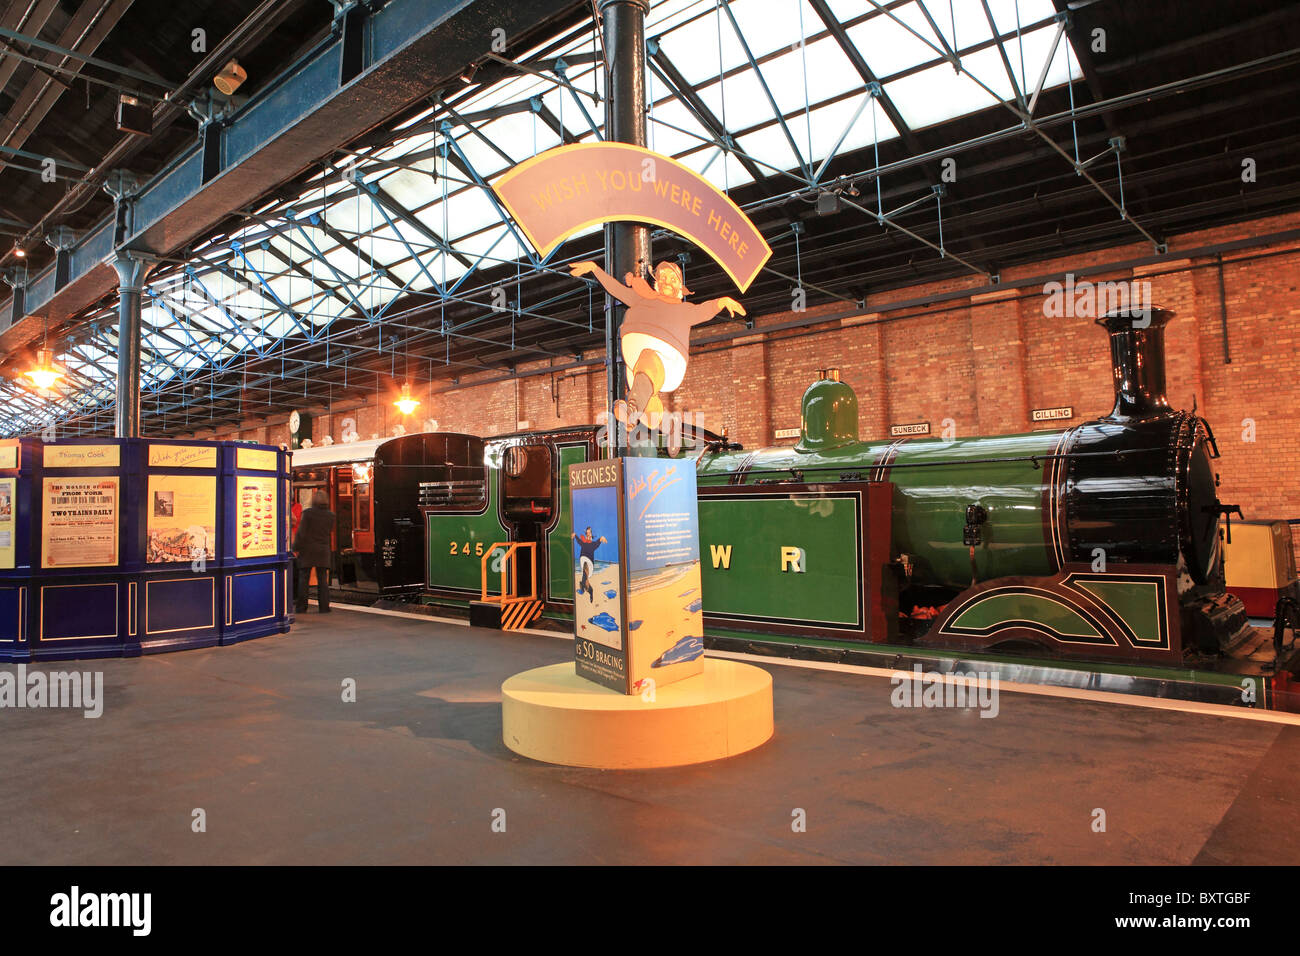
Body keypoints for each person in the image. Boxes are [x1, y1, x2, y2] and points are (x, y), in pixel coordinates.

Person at [569, 259, 745, 427]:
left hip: (668, 360)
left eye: (672, 279)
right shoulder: (642, 299)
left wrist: (722, 301)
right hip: (636, 361)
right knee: (644, 373)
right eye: (663, 277)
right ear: (657, 282)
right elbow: (617, 290)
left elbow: (703, 310)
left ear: (680, 288)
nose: (667, 281)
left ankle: (631, 411)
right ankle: (650, 411)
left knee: (648, 357)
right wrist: (595, 269)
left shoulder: (684, 310)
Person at [293, 490, 335, 613]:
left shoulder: (308, 513)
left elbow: (302, 533)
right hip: (323, 550)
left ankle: (302, 606)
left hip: (308, 550)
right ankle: (324, 607)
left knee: (304, 579)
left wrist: (296, 547)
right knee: (322, 580)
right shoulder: (331, 515)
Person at [572, 526, 607, 602]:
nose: (588, 534)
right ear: (586, 534)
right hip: (583, 560)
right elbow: (578, 540)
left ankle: (588, 589)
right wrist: (575, 535)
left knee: (585, 579)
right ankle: (586, 588)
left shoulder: (593, 544)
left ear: (591, 534)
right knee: (585, 571)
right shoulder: (583, 543)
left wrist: (602, 537)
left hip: (590, 563)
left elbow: (599, 540)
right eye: (587, 533)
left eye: (589, 532)